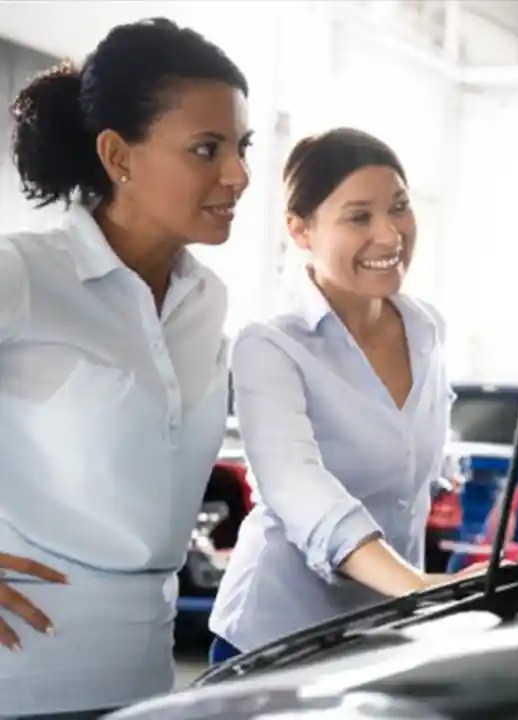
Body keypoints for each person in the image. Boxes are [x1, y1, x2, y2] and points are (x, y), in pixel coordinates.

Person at [0, 18, 252, 717]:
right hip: (17, 685)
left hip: (145, 688)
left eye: (240, 147)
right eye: (207, 149)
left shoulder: (208, 300)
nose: (238, 175)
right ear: (118, 155)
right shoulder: (24, 273)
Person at [207, 128, 477, 663]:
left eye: (398, 207)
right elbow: (299, 488)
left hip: (381, 640)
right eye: (359, 217)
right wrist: (417, 588)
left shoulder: (427, 330)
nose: (389, 234)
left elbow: (413, 488)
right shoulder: (272, 345)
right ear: (300, 229)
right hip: (272, 642)